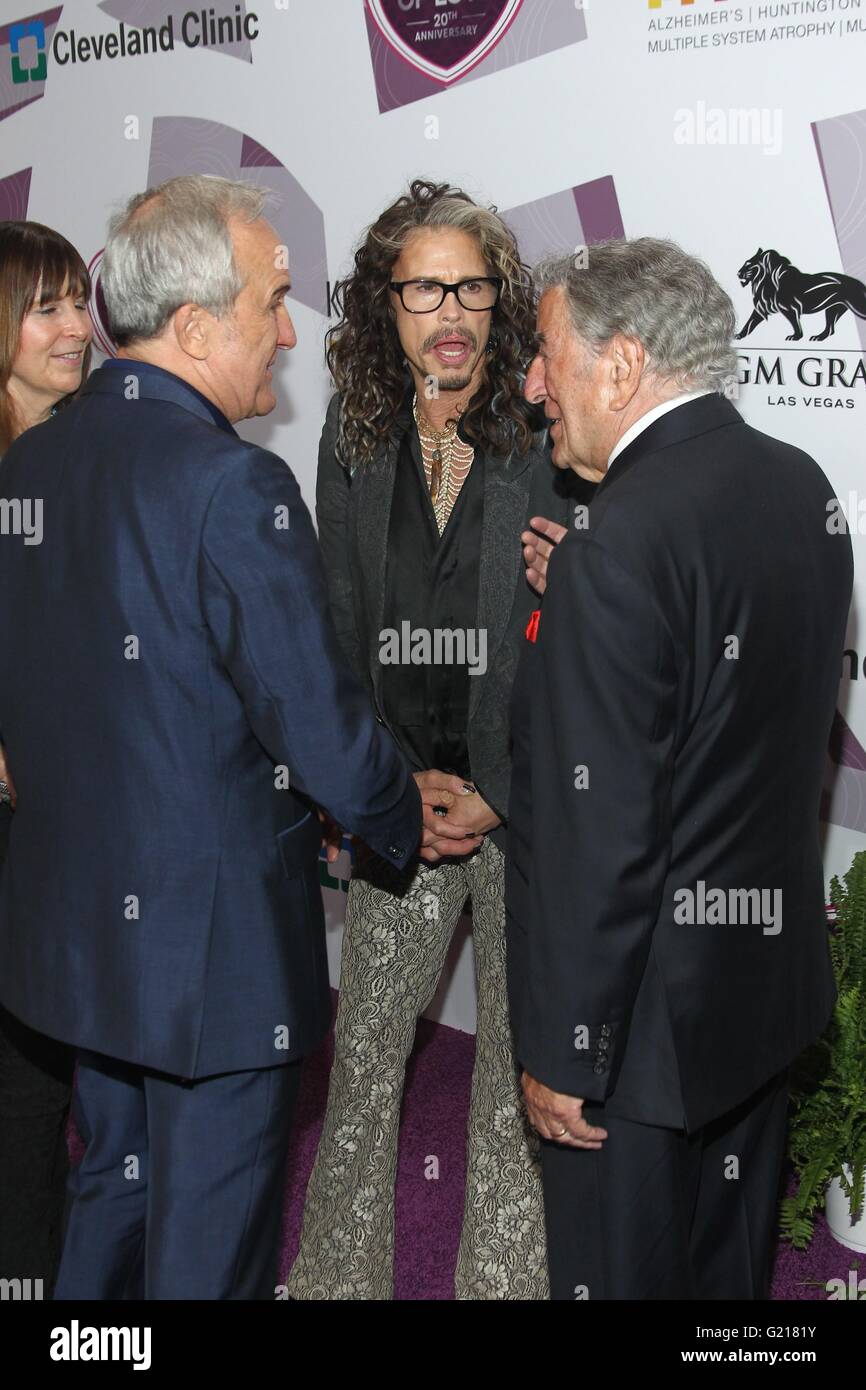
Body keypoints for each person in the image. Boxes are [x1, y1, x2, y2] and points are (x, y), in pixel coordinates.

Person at [0, 175, 422, 1300]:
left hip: (85, 942)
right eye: (273, 301)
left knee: (112, 1203)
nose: (290, 332)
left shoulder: (32, 465)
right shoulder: (233, 484)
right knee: (207, 1249)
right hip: (213, 963)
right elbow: (319, 727)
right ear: (192, 326)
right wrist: (399, 814)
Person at [506, 237, 853, 1300]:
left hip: (638, 1041)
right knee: (725, 1286)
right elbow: (726, 712)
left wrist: (569, 1048)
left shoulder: (614, 545)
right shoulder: (801, 485)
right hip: (753, 999)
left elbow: (602, 838)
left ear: (616, 367)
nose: (530, 385)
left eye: (546, 354)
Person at [288, 179, 589, 1301]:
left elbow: (579, 647)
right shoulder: (353, 430)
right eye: (423, 286)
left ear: (497, 300)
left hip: (521, 813)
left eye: (470, 283)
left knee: (514, 1078)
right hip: (398, 803)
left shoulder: (545, 432)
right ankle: (334, 1285)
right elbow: (332, 618)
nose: (449, 308)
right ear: (387, 304)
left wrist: (502, 794)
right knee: (361, 1057)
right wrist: (381, 784)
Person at [0, 220, 91, 1297]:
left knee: (60, 1078)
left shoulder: (89, 450)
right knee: (26, 1083)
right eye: (44, 306)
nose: (74, 327)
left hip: (75, 811)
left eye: (77, 301)